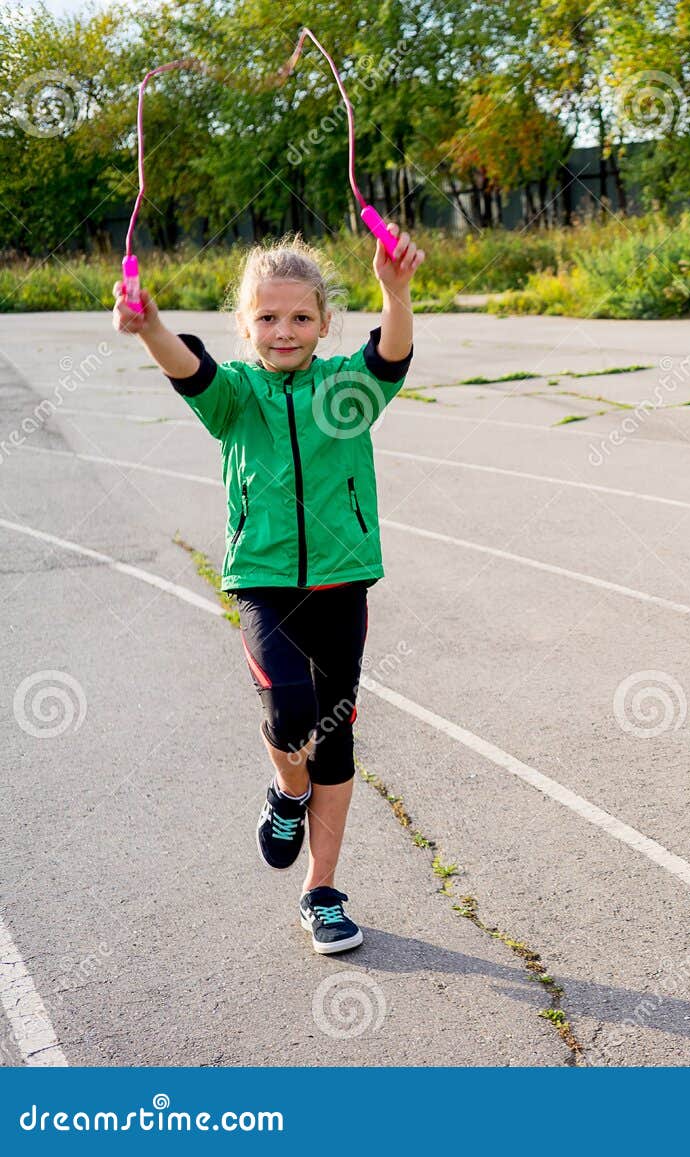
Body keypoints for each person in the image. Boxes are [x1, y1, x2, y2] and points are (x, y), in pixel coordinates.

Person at [112, 226, 424, 954]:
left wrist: (398, 290)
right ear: (245, 323)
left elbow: (393, 352)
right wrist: (148, 323)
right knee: (292, 715)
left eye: (302, 318)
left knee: (336, 732)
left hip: (343, 580)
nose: (284, 331)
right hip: (264, 582)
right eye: (267, 318)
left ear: (323, 321)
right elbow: (188, 369)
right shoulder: (237, 397)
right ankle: (288, 791)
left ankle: (321, 890)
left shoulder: (346, 389)